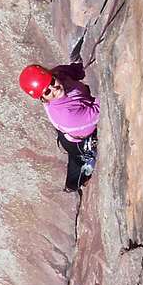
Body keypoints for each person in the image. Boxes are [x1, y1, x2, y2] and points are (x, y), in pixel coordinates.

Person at [18, 61, 99, 191]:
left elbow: (76, 70)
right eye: (47, 92)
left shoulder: (60, 74)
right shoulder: (67, 116)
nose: (54, 89)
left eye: (51, 82)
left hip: (69, 129)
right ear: (42, 98)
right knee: (78, 161)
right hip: (77, 141)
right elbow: (100, 112)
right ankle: (72, 185)